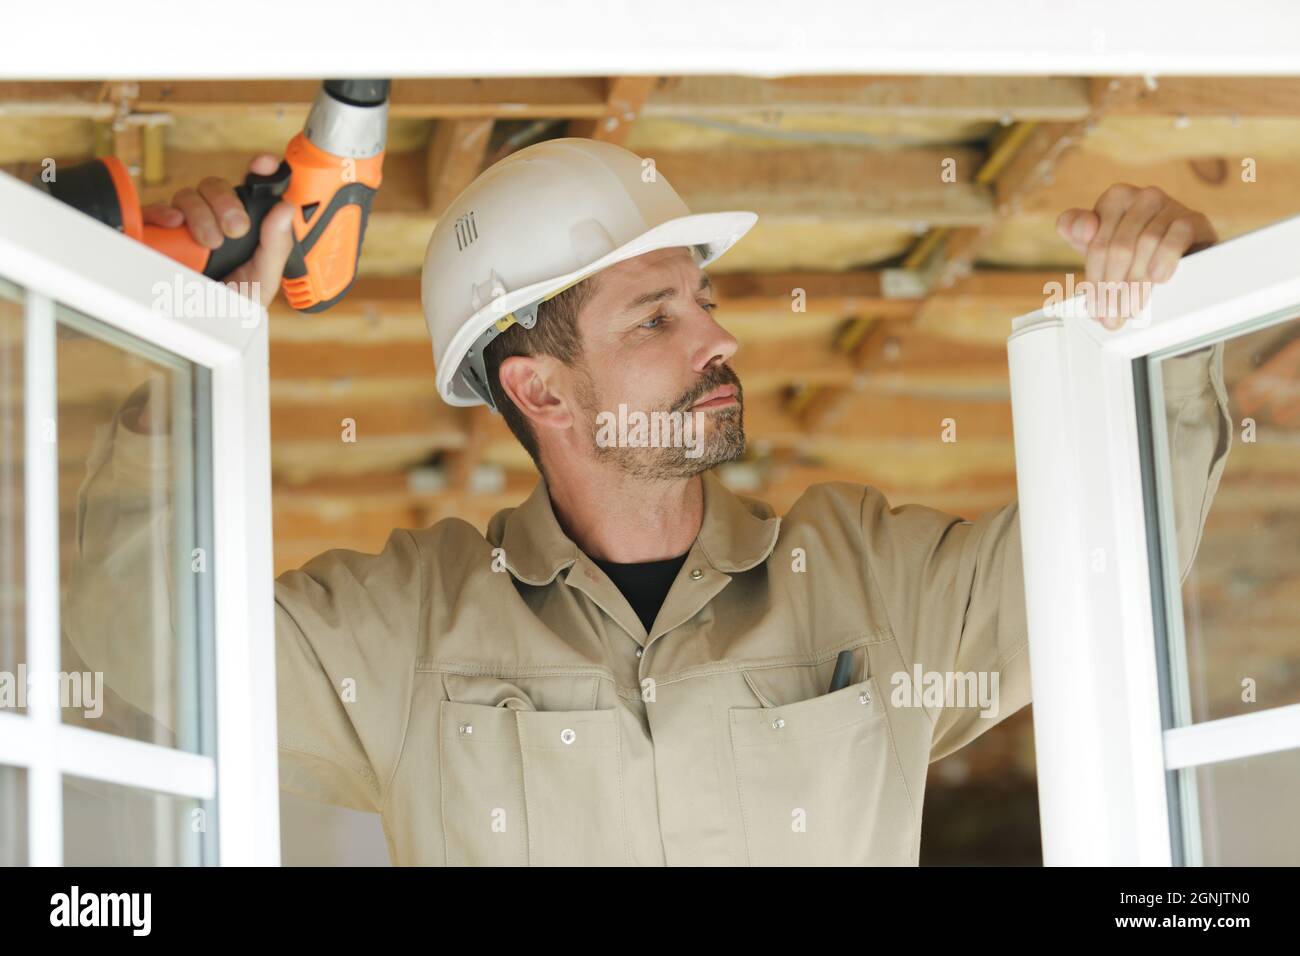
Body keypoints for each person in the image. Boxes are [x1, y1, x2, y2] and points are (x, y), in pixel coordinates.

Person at [66, 139, 1231, 865]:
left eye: (702, 297)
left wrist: (1177, 315)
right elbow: (146, 641)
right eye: (656, 317)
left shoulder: (875, 582)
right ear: (540, 388)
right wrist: (186, 350)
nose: (720, 336)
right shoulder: (408, 631)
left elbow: (1109, 565)